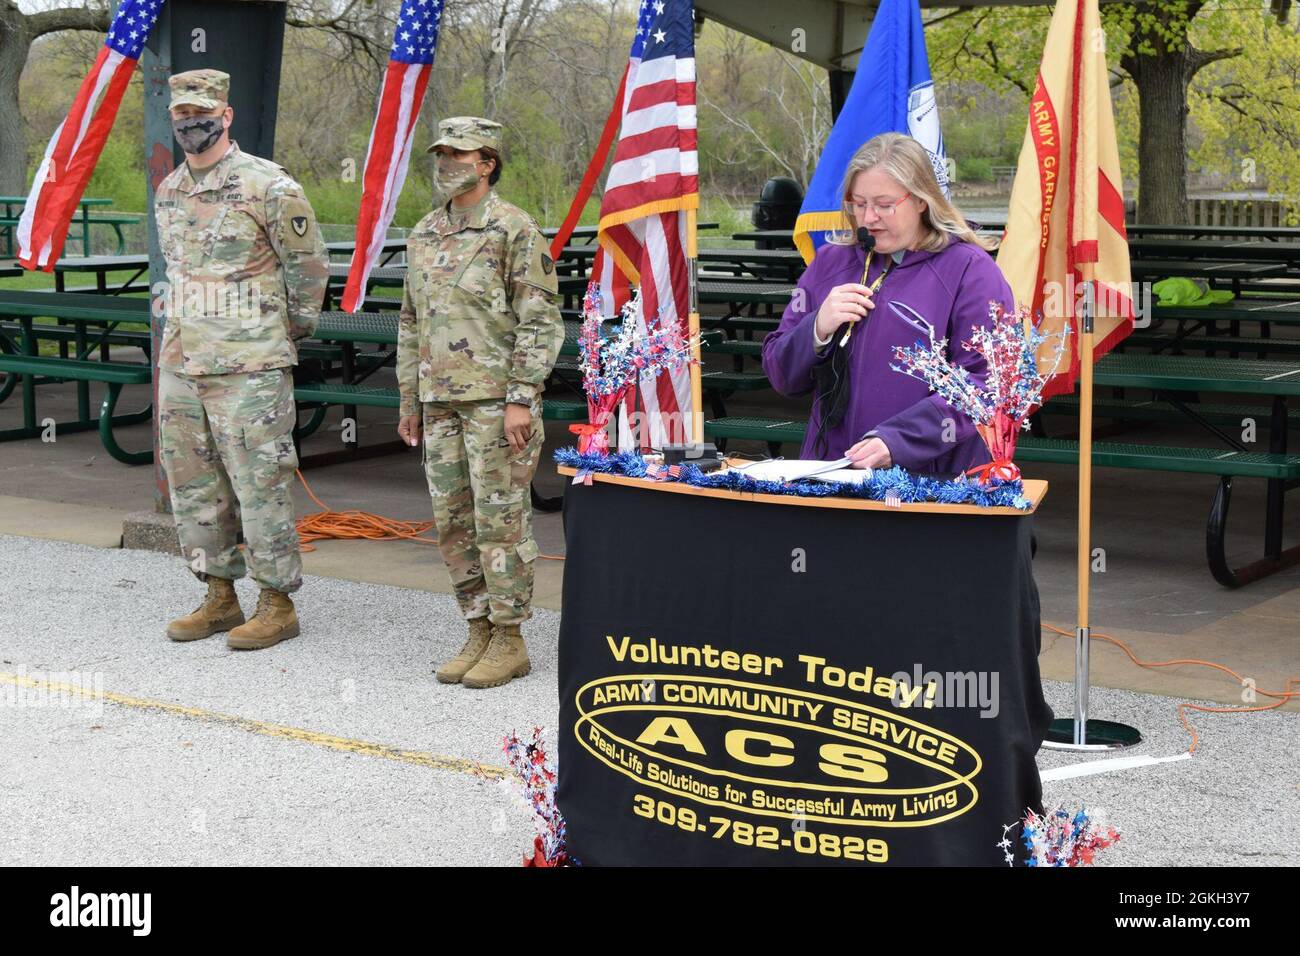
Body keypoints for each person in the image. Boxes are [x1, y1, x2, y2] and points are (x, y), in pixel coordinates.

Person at [154, 69, 329, 650]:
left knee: (260, 486)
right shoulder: (171, 190)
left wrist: (282, 336)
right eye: (181, 115)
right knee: (195, 488)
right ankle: (219, 596)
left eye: (201, 113)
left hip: (250, 368)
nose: (191, 124)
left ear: (226, 116)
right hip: (182, 364)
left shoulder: (269, 186)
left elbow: (308, 271)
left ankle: (276, 604)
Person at [396, 117, 563, 689]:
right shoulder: (422, 234)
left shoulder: (514, 229)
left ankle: (511, 637)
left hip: (496, 404)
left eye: (459, 154)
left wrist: (521, 399)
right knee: (453, 522)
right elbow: (410, 321)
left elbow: (540, 322)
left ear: (487, 162)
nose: (447, 163)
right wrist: (409, 399)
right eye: (441, 154)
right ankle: (478, 626)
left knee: (501, 522)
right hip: (439, 401)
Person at [762, 132, 1012, 474]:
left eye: (884, 204)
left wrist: (897, 441)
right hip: (830, 474)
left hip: (929, 482)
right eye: (859, 203)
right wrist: (817, 328)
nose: (869, 218)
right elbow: (781, 374)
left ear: (922, 200)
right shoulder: (831, 264)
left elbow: (986, 384)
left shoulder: (970, 269)